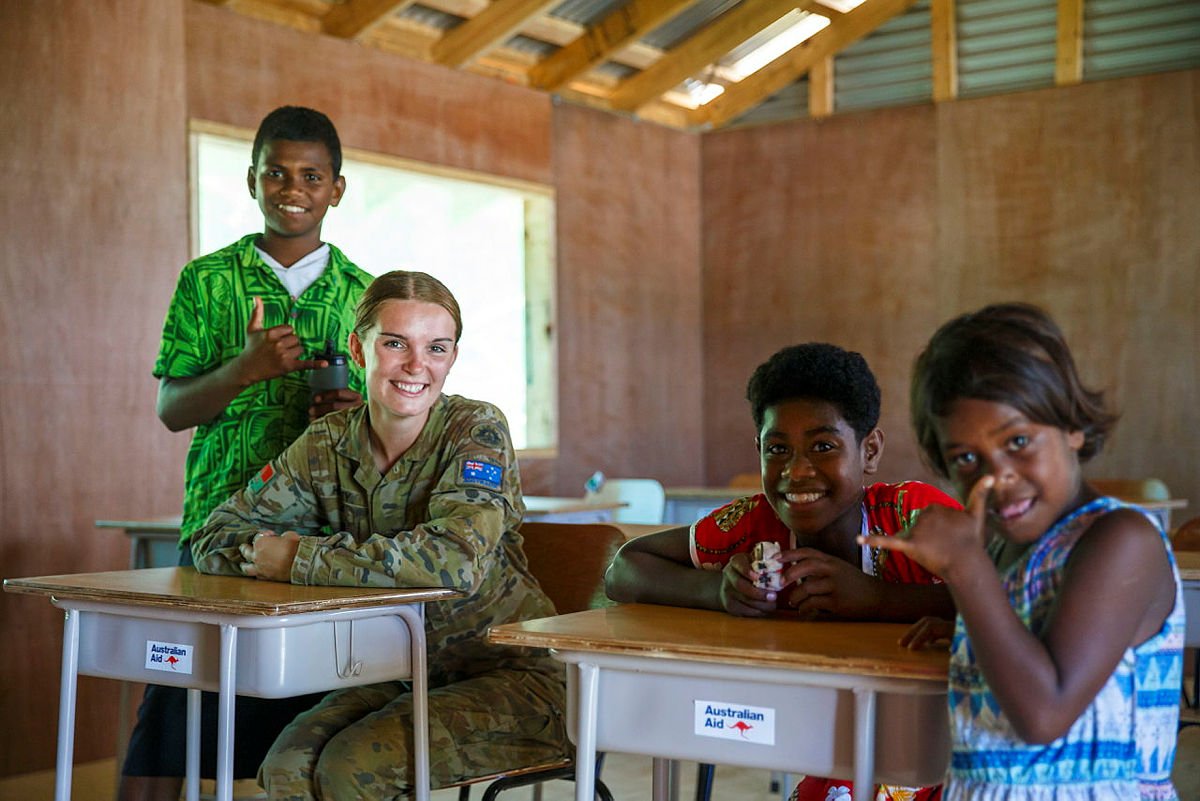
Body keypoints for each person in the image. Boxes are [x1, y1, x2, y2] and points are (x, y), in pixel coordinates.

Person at [190, 270, 568, 799]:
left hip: (514, 678)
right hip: (399, 669)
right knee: (285, 768)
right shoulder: (326, 441)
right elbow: (216, 535)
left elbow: (453, 562)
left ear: (452, 358)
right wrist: (264, 555)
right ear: (359, 350)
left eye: (437, 348)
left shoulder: (475, 428)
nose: (417, 366)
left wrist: (297, 559)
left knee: (350, 769)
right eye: (395, 343)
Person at [120, 106, 374, 801]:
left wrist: (355, 418)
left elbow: (390, 430)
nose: (293, 188)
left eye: (311, 175)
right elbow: (172, 409)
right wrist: (243, 368)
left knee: (309, 735)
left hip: (322, 541)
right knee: (170, 721)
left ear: (337, 188)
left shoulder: (364, 294)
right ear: (252, 180)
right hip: (216, 530)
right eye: (277, 173)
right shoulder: (206, 281)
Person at [605, 342, 959, 801]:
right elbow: (623, 568)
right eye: (777, 449)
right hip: (823, 735)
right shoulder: (757, 523)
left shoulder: (912, 516)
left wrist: (876, 598)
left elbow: (1017, 602)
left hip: (946, 744)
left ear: (869, 450)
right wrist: (717, 591)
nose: (797, 471)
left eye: (823, 446)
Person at [864, 302, 1183, 800]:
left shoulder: (1122, 540)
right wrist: (967, 630)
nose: (997, 477)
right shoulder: (1001, 548)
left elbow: (1044, 715)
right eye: (966, 458)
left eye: (1018, 441)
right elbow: (1032, 639)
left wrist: (965, 568)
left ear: (1073, 427)